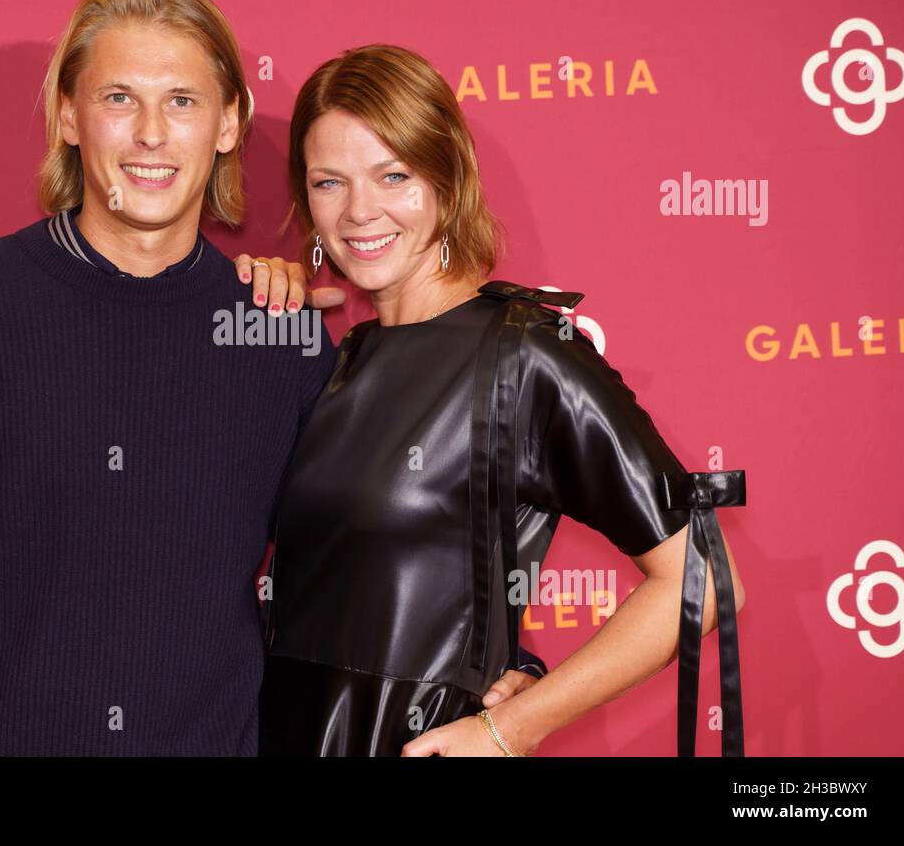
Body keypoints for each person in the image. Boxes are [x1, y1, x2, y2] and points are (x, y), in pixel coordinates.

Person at [0, 0, 544, 756]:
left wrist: (495, 664)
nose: (151, 132)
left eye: (182, 100)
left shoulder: (277, 335)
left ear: (227, 125)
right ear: (70, 118)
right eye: (119, 99)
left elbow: (361, 562)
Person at [258, 44, 748, 757]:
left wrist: (509, 727)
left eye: (393, 175)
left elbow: (706, 581)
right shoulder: (337, 359)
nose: (359, 210)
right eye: (329, 182)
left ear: (446, 179)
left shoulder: (522, 355)